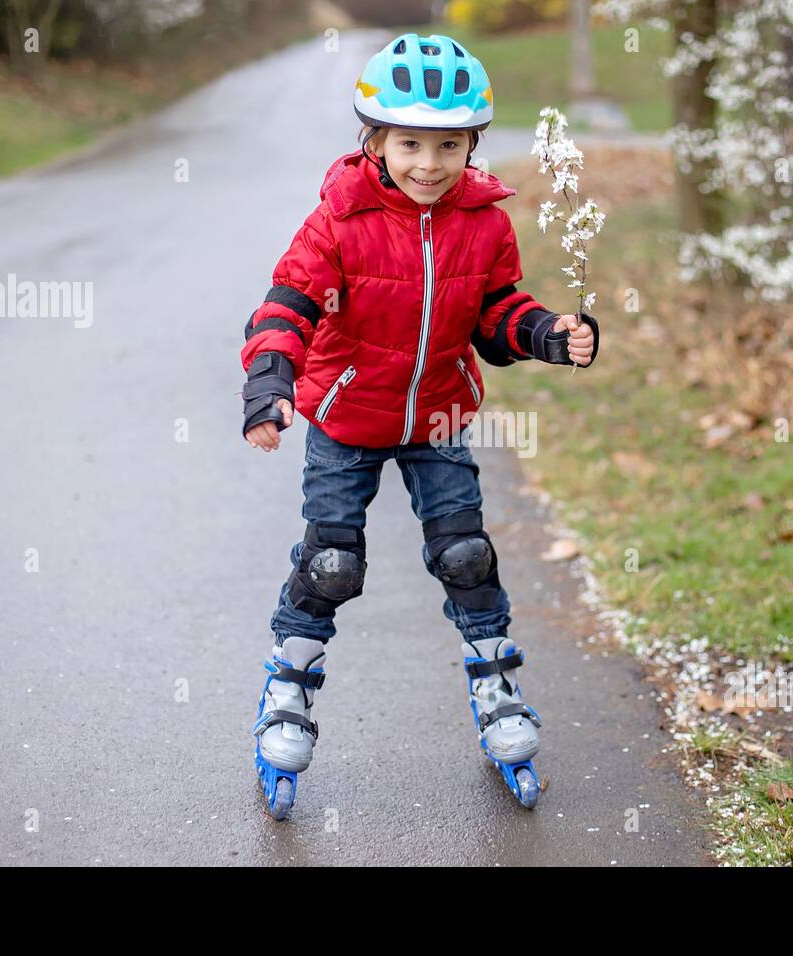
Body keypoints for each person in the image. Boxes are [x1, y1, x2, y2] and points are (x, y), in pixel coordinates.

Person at [239, 32, 600, 819]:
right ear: (373, 141)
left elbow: (497, 312)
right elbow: (284, 306)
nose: (429, 164)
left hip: (436, 415)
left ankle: (497, 687)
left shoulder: (484, 222)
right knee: (333, 562)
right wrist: (270, 382)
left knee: (465, 553)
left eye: (448, 145)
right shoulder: (337, 220)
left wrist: (546, 334)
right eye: (409, 143)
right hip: (346, 416)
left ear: (471, 146)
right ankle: (288, 687)